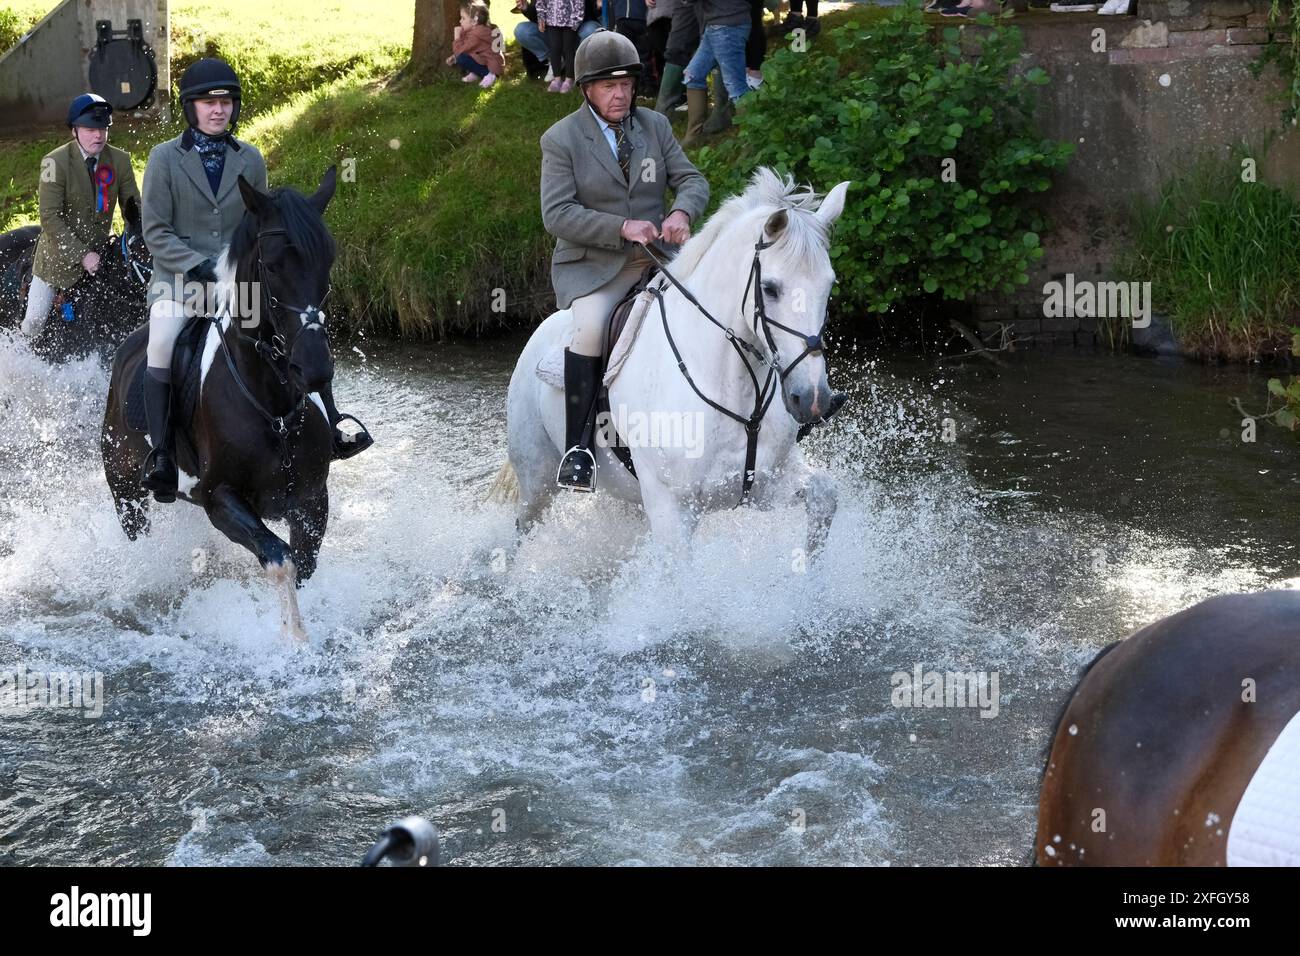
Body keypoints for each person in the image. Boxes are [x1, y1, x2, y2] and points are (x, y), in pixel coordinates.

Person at [140, 58, 371, 502]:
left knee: (298, 331)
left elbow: (259, 227)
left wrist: (240, 269)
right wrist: (196, 265)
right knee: (162, 345)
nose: (218, 110)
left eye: (225, 102)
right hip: (179, 284)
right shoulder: (164, 158)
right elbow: (155, 230)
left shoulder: (250, 158)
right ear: (191, 108)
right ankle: (164, 455)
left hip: (241, 286)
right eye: (209, 102)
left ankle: (334, 422)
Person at [539, 30, 710, 491]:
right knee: (592, 327)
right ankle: (579, 450)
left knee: (722, 309)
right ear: (586, 89)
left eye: (627, 85)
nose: (620, 94)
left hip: (661, 259)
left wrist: (681, 209)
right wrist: (621, 227)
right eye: (609, 86)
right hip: (597, 267)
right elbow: (557, 213)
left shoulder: (654, 126)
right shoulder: (561, 140)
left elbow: (692, 179)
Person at [22, 93, 140, 341]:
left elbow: (134, 210)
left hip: (102, 258)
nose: (98, 136)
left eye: (103, 129)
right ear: (74, 130)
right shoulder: (54, 162)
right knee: (34, 321)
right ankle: (21, 359)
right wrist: (82, 255)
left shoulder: (120, 160)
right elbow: (50, 218)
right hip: (57, 263)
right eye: (90, 129)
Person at [683, 0, 752, 141]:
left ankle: (751, 141)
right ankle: (694, 136)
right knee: (693, 75)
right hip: (718, 23)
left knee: (735, 86)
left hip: (727, 24)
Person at [445, 1, 505, 88]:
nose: (460, 21)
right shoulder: (482, 29)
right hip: (493, 62)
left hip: (494, 69)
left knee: (461, 58)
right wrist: (454, 57)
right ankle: (477, 72)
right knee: (465, 54)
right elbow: (470, 47)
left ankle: (488, 75)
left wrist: (457, 36)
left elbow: (459, 51)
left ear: (474, 21)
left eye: (463, 18)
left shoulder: (476, 35)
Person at [537, 0, 586, 92]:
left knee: (568, 49)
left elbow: (579, 3)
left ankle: (569, 79)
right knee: (554, 48)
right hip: (552, 21)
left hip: (570, 22)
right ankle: (557, 79)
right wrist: (541, 18)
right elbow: (541, 2)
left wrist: (576, 20)